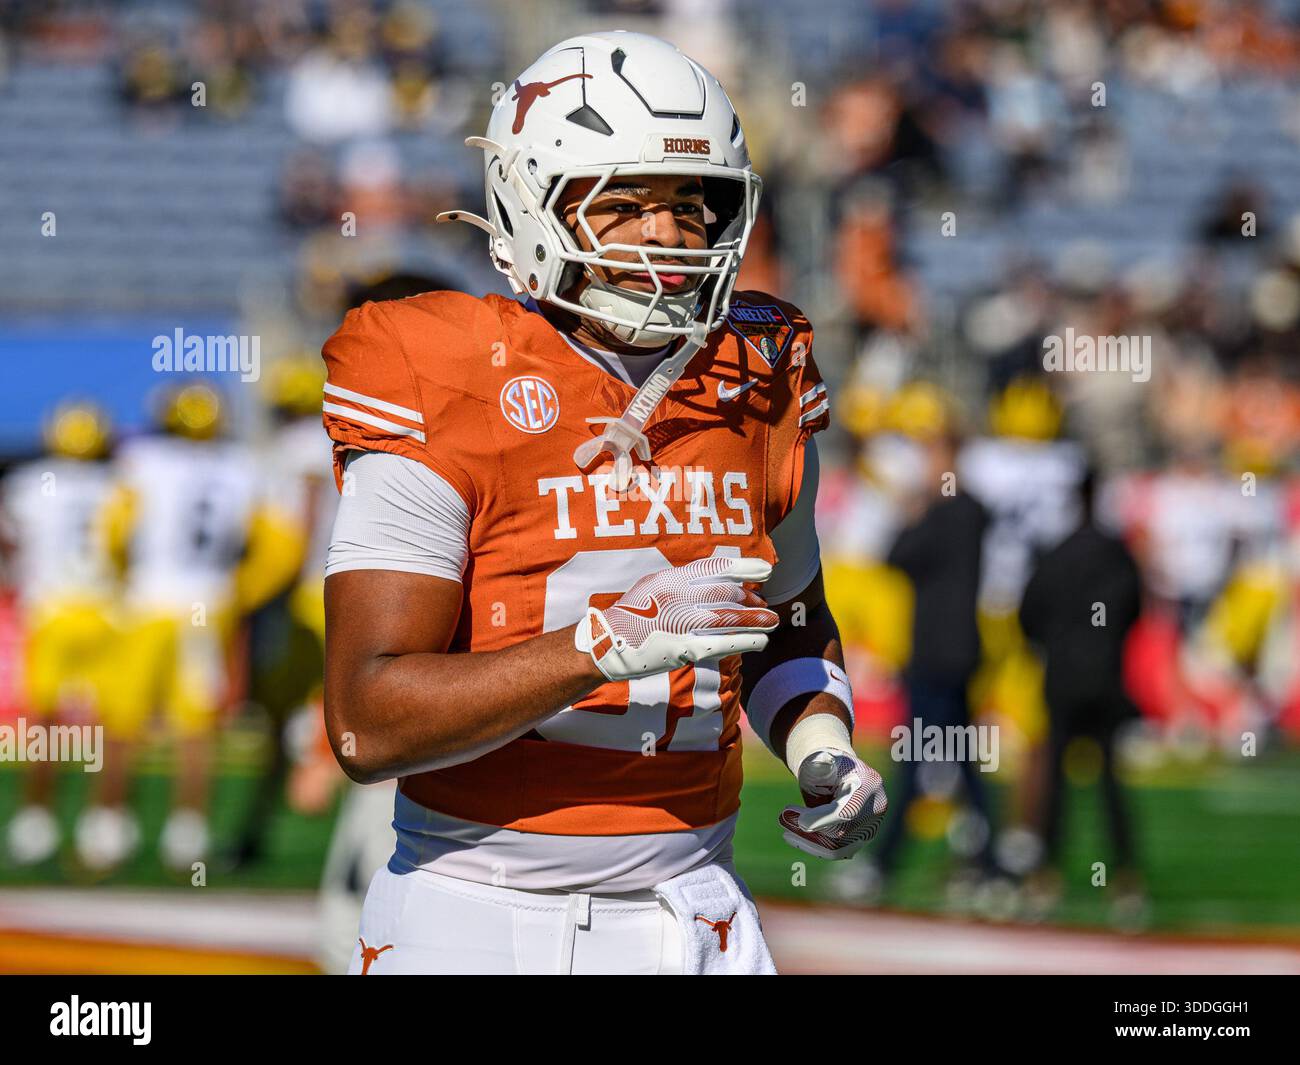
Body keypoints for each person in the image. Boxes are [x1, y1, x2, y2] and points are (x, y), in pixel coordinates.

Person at [321, 31, 887, 975]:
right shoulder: (443, 370)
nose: (666, 238)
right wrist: (601, 645)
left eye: (688, 205)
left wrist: (821, 743)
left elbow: (788, 615)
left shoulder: (757, 370)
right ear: (530, 208)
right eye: (622, 205)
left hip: (701, 905)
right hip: (480, 907)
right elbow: (366, 718)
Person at [1018, 469, 1144, 923]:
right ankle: (1126, 881)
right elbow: (1136, 610)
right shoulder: (1116, 553)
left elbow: (1027, 614)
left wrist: (1057, 645)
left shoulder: (1057, 553)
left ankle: (1044, 878)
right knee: (1110, 779)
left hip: (1063, 676)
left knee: (1056, 779)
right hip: (1106, 676)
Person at [1, 401, 120, 866]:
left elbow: (12, 543)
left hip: (51, 612)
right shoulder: (120, 483)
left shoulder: (28, 484)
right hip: (108, 611)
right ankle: (104, 826)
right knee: (110, 728)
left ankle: (36, 821)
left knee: (45, 725)